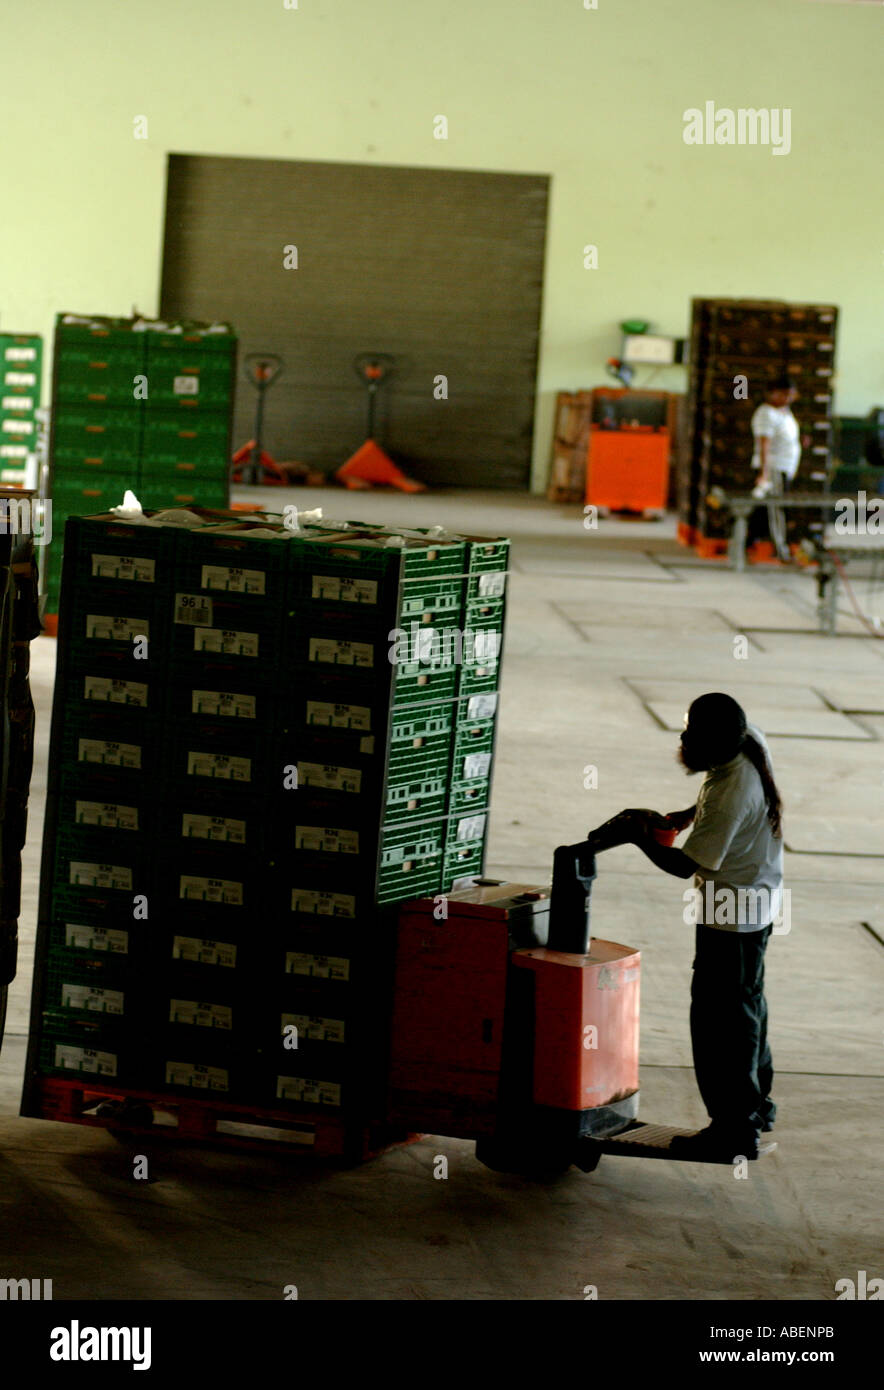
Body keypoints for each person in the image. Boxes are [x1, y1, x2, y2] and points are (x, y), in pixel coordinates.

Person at [586, 692, 783, 1161]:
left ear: (717, 743)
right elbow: (713, 804)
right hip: (756, 901)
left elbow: (686, 864)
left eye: (693, 734)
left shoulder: (732, 793)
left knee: (719, 1025)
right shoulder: (746, 743)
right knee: (746, 1007)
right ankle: (757, 1108)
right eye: (686, 725)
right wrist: (686, 815)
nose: (683, 737)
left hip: (730, 915)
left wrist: (638, 837)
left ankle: (733, 1128)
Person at [749, 375, 802, 561]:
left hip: (784, 468)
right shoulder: (766, 414)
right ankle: (782, 550)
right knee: (776, 510)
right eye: (784, 395)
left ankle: (746, 545)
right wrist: (764, 473)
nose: (787, 399)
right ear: (772, 393)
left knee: (761, 513)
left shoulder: (784, 413)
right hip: (773, 469)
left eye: (791, 395)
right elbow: (764, 444)